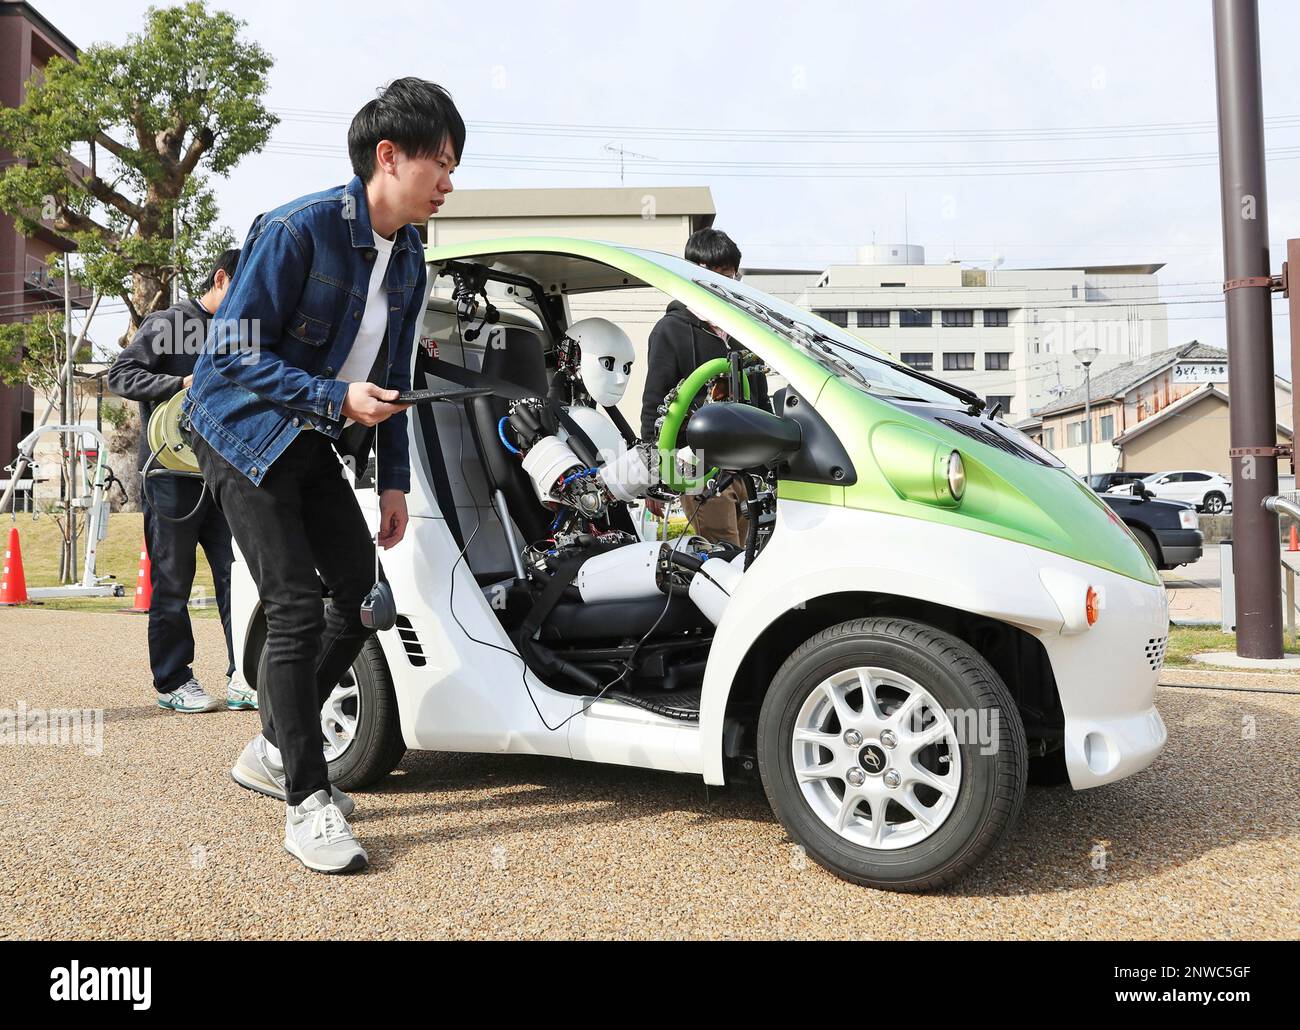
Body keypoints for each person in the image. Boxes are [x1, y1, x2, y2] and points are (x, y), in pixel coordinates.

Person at [183, 77, 464, 874]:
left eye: (452, 165)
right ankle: (308, 802)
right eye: (439, 162)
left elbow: (399, 371)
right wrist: (334, 396)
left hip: (307, 434)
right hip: (236, 429)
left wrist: (398, 482)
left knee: (366, 600)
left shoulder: (410, 258)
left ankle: (275, 744)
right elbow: (230, 351)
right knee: (296, 609)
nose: (449, 181)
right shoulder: (295, 229)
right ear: (387, 157)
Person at [108, 250, 252, 713]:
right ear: (221, 278)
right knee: (173, 579)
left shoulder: (244, 330)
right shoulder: (169, 322)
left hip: (225, 472)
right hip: (171, 474)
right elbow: (120, 375)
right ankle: (173, 681)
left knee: (240, 576)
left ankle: (244, 676)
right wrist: (180, 383)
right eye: (246, 286)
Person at [639, 228, 768, 545]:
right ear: (692, 273)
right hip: (700, 470)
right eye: (715, 276)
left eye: (730, 276)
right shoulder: (671, 331)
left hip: (746, 470)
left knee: (750, 560)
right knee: (726, 555)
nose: (723, 285)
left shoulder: (744, 331)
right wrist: (654, 478)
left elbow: (762, 401)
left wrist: (768, 467)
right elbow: (655, 407)